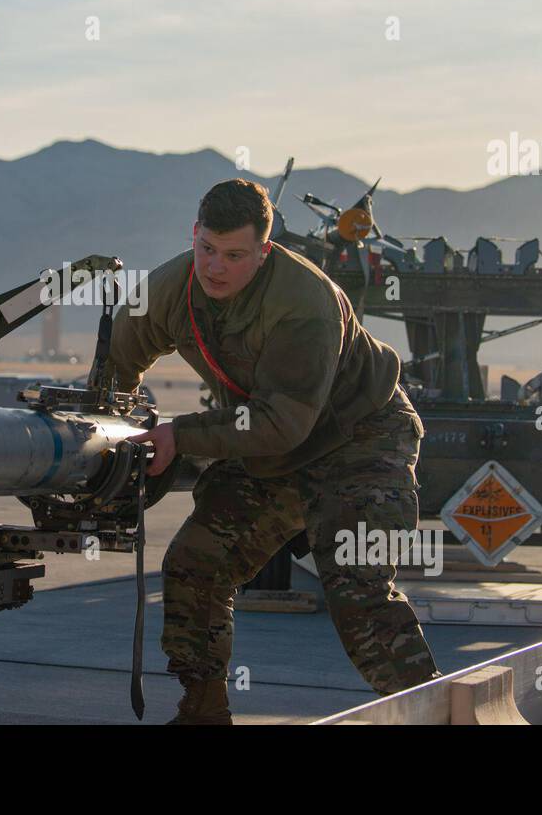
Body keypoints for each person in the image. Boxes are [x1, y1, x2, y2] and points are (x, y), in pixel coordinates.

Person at [110, 177, 439, 724]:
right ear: (194, 235)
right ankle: (203, 713)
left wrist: (181, 434)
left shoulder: (303, 300)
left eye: (235, 255)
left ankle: (436, 717)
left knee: (358, 587)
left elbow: (281, 422)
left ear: (264, 251)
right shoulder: (170, 289)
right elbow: (118, 364)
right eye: (207, 250)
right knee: (197, 563)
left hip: (361, 436)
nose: (216, 268)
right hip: (271, 442)